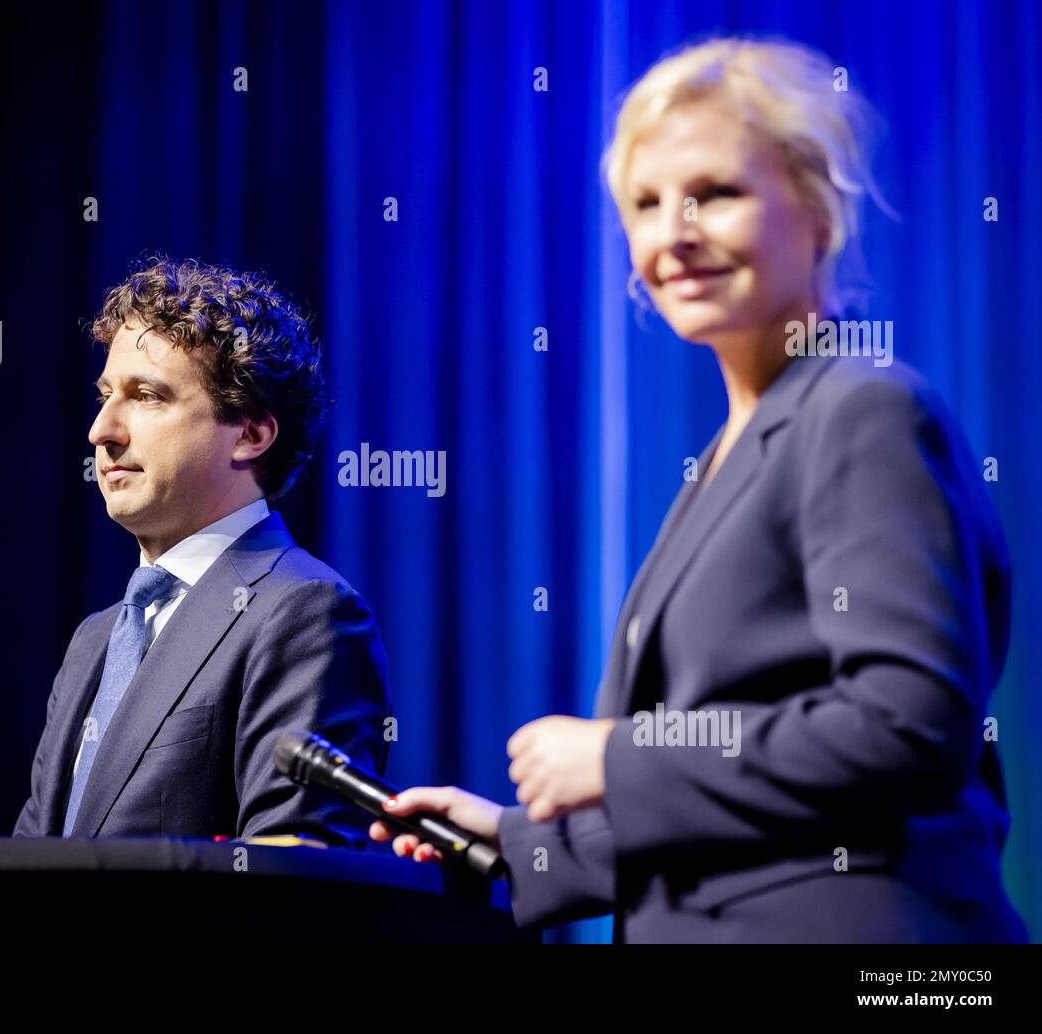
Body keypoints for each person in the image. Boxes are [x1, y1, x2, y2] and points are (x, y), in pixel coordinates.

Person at [371, 36, 1028, 943]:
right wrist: (517, 843)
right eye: (644, 204)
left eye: (715, 194)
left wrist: (618, 755)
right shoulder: (736, 447)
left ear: (818, 208)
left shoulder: (862, 409)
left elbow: (904, 729)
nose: (672, 234)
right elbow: (752, 800)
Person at [14, 256, 391, 843]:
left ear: (250, 434)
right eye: (105, 394)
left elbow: (297, 877)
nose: (102, 431)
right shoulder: (96, 637)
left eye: (147, 397)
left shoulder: (306, 613)